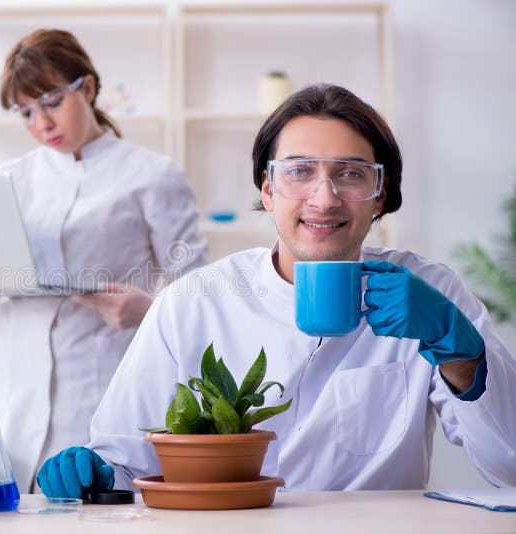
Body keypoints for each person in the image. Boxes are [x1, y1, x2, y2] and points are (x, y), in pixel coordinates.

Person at [36, 84, 516, 497]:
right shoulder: (195, 301)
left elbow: (509, 467)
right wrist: (97, 473)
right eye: (299, 171)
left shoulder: (429, 290)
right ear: (267, 191)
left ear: (380, 195)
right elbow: (124, 459)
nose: (324, 197)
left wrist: (460, 350)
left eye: (351, 174)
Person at [0, 29, 209, 493]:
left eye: (52, 102)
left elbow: (199, 297)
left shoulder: (151, 175)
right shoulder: (8, 179)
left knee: (88, 509)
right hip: (11, 394)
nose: (41, 123)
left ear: (87, 88)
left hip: (99, 391)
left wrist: (147, 310)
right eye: (26, 112)